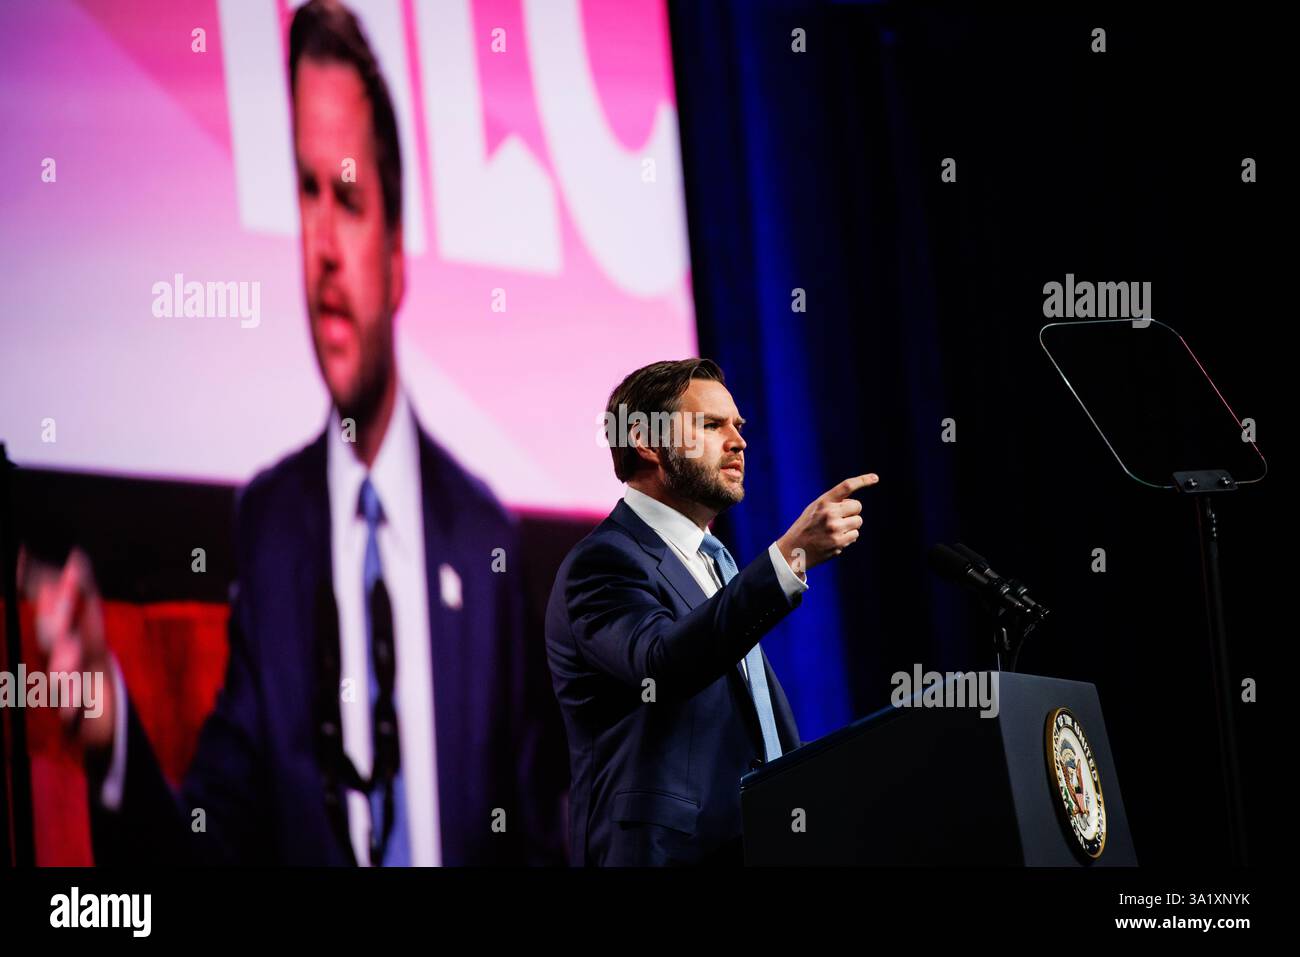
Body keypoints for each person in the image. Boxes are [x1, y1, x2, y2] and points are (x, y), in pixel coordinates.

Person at [29, 0, 561, 866]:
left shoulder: (483, 537)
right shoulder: (270, 533)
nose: (319, 241)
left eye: (347, 197)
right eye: (306, 192)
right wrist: (111, 727)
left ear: (395, 253)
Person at [546, 358, 878, 865]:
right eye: (710, 425)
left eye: (738, 426)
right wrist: (787, 558)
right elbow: (660, 664)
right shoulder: (603, 561)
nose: (738, 441)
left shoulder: (716, 563)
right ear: (647, 442)